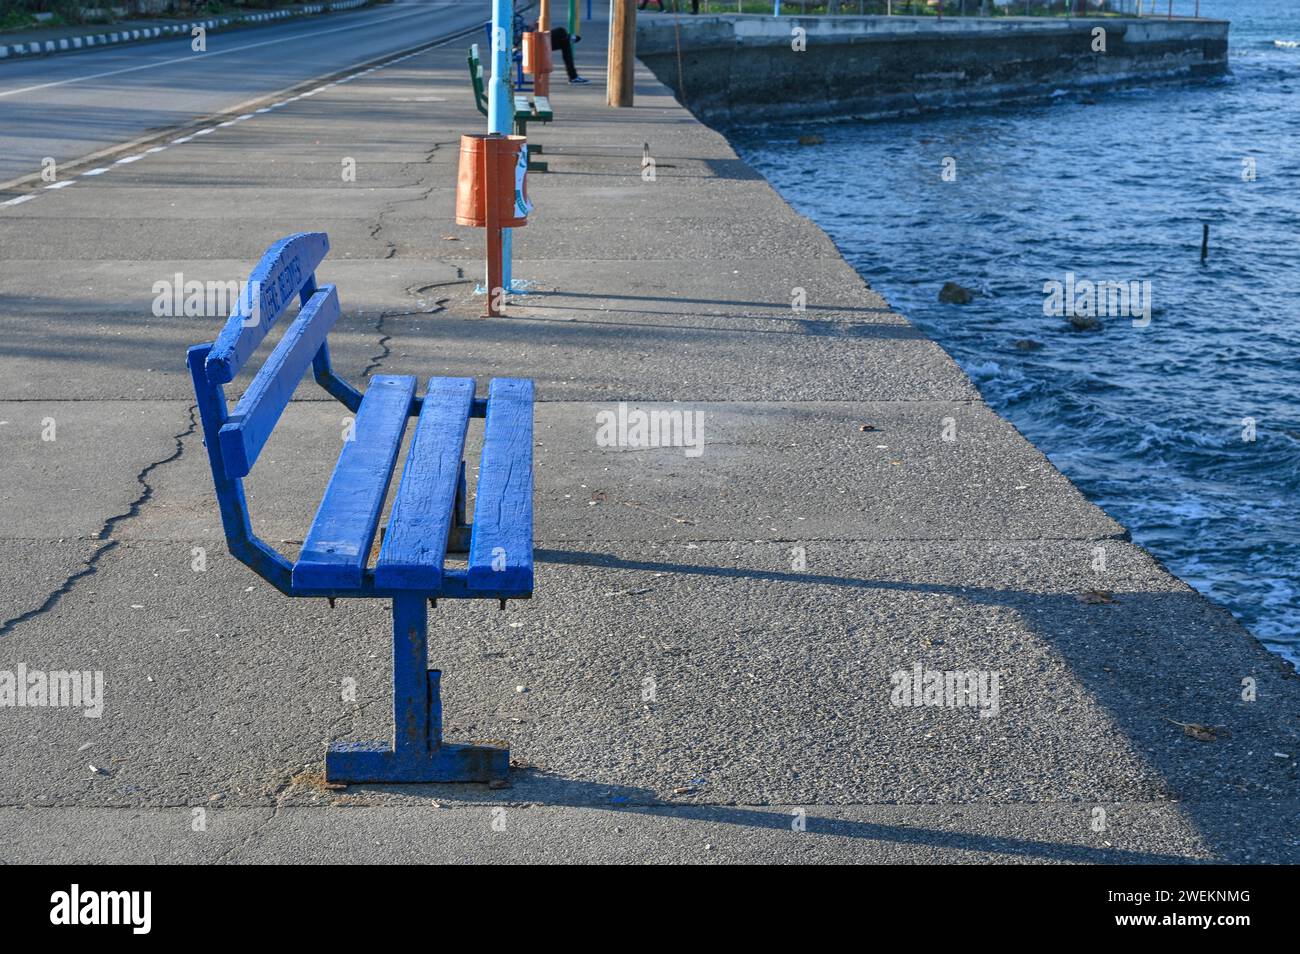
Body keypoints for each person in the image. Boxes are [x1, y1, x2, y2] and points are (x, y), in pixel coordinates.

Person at [514, 14, 588, 85]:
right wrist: (531, 29)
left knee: (565, 43)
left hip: (531, 41)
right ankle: (573, 76)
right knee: (561, 32)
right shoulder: (511, 17)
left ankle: (573, 77)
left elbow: (521, 32)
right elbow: (518, 37)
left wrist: (532, 27)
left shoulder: (514, 16)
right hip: (527, 44)